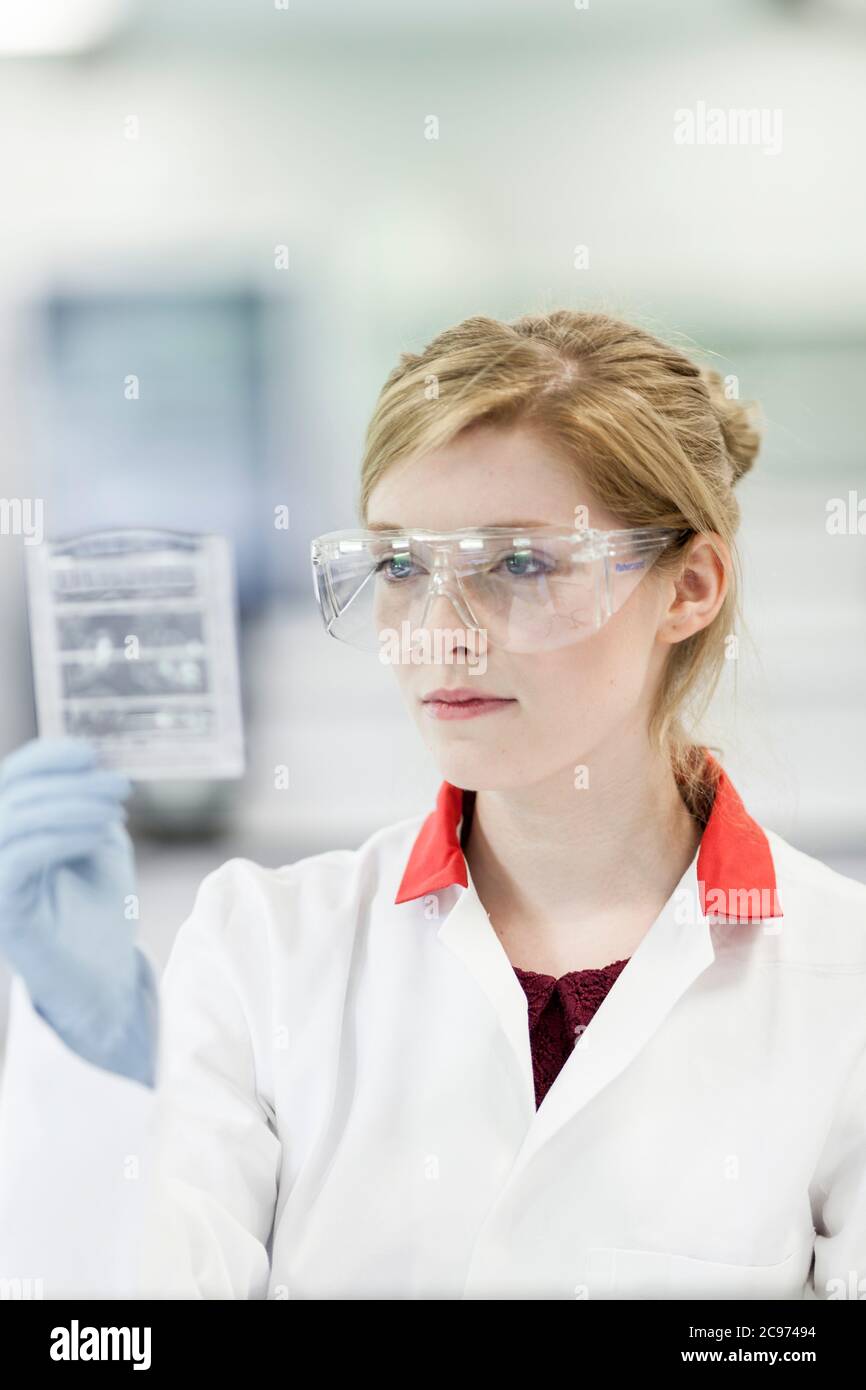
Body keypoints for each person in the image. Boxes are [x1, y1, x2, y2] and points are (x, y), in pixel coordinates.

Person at [1, 308, 864, 1300]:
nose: (438, 634)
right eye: (401, 566)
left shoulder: (841, 981)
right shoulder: (264, 950)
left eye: (519, 564)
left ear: (688, 585)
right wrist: (91, 1068)